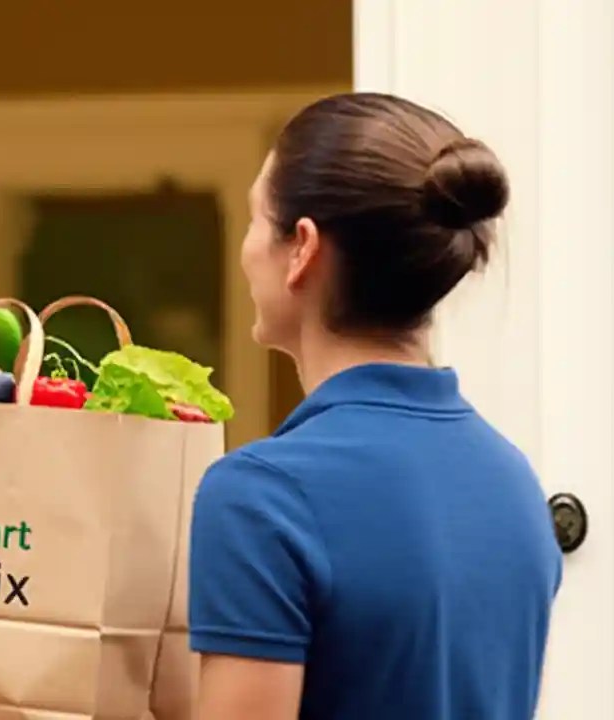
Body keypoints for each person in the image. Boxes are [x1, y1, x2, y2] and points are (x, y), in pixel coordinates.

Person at [187, 92, 563, 719]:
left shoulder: (262, 496)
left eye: (255, 218)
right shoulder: (513, 482)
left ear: (302, 247)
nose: (247, 248)